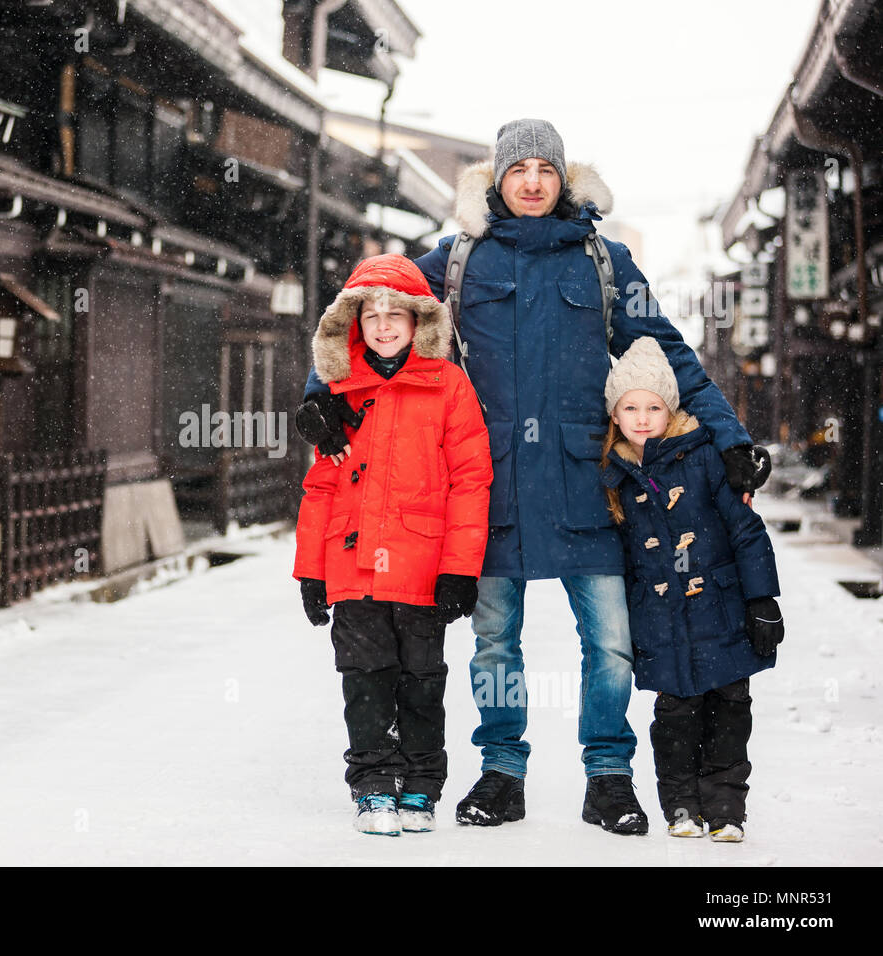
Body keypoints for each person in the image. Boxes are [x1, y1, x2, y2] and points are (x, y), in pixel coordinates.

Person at [294, 119, 772, 836]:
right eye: (519, 170)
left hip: (588, 485)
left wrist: (730, 438)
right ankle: (501, 772)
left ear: (562, 179)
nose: (532, 182)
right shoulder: (456, 261)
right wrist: (319, 394)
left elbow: (667, 351)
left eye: (545, 170)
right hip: (489, 488)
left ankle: (608, 775)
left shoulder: (603, 261)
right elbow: (369, 306)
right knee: (495, 642)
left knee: (610, 639)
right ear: (498, 179)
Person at [293, 253, 492, 836]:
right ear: (353, 323)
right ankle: (374, 784)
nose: (383, 326)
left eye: (396, 315)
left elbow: (470, 479)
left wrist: (460, 568)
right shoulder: (338, 394)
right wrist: (311, 570)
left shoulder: (448, 386)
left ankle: (422, 785)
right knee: (364, 676)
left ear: (419, 322)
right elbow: (321, 483)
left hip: (423, 566)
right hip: (353, 566)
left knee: (422, 680)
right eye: (370, 315)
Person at [601, 337, 782, 842]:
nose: (641, 418)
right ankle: (681, 805)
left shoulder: (705, 457)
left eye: (653, 407)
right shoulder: (616, 476)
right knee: (675, 715)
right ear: (615, 414)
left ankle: (726, 807)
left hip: (720, 609)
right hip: (660, 619)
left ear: (670, 408)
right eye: (630, 407)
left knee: (729, 709)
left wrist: (762, 600)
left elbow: (746, 531)